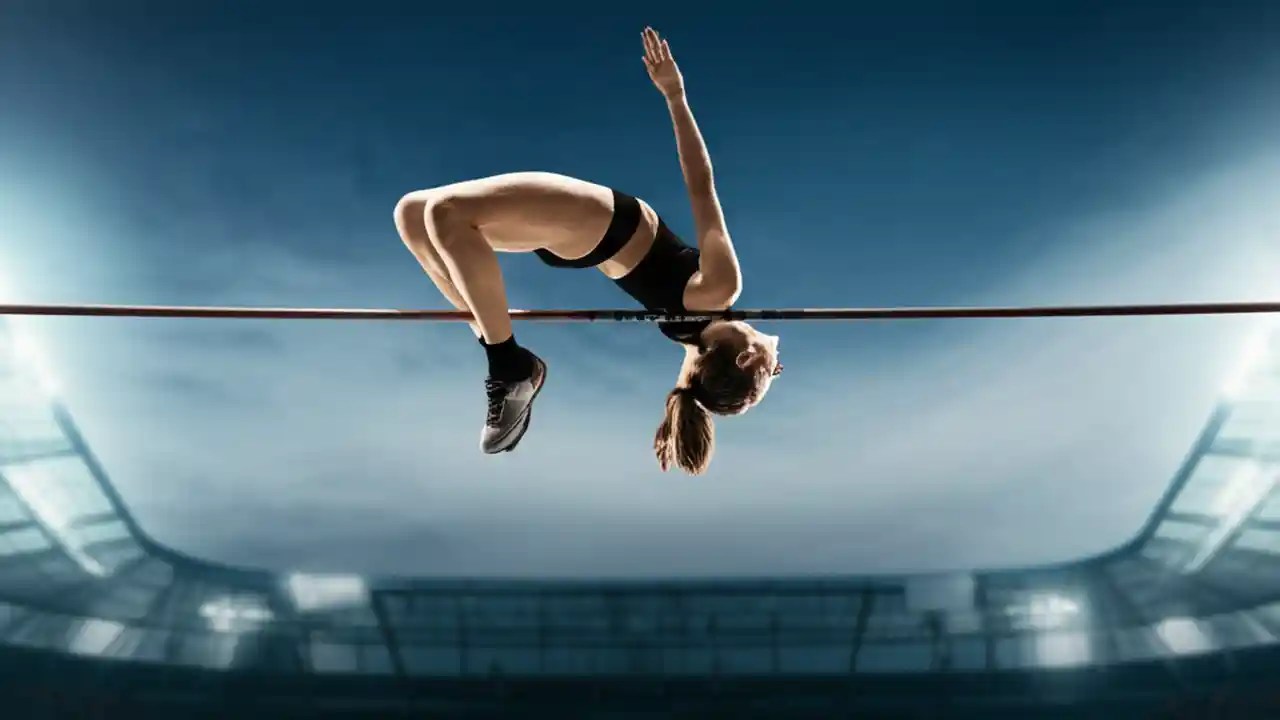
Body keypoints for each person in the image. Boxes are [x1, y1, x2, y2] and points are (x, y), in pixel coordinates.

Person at [393, 27, 782, 475]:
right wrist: (729, 388)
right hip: (581, 244)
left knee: (444, 212)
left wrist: (676, 96)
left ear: (746, 357)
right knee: (413, 214)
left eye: (774, 369)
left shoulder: (720, 289)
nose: (778, 364)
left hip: (601, 221)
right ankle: (499, 348)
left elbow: (701, 186)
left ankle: (508, 365)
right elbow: (695, 388)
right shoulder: (696, 346)